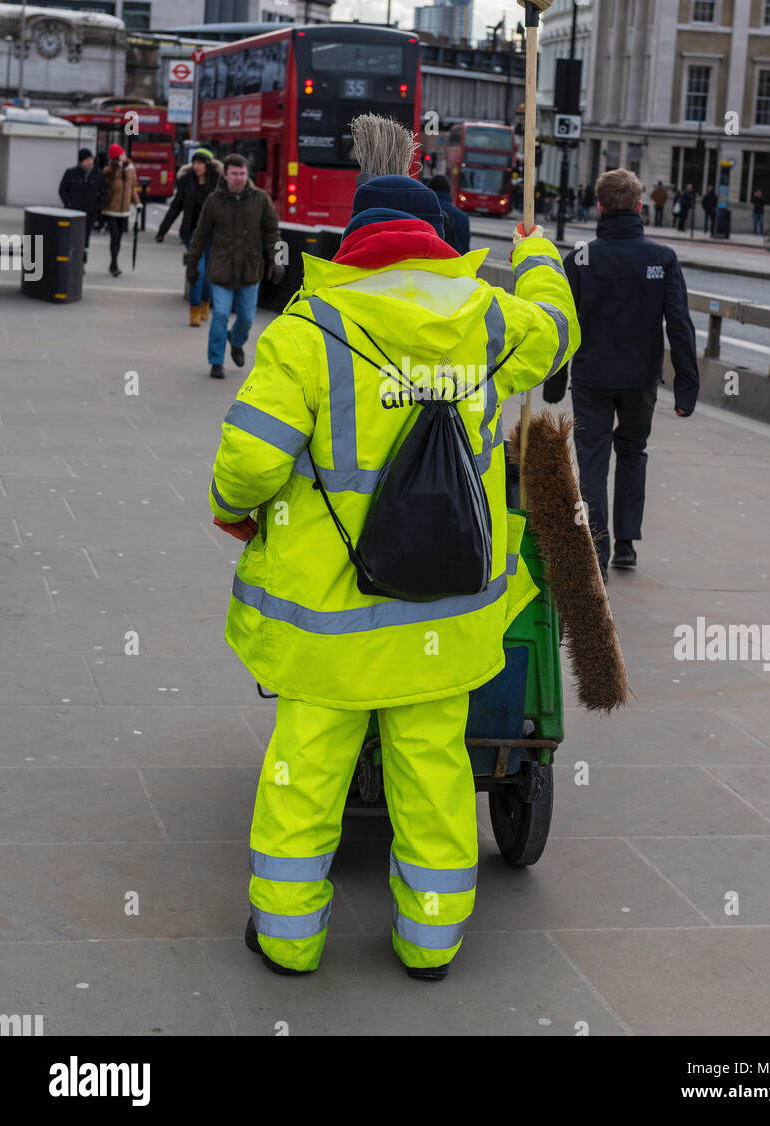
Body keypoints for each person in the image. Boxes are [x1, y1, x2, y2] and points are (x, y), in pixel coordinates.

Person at [206, 172, 578, 978]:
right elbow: (555, 327)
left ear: (354, 241)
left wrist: (231, 509)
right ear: (434, 240)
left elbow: (246, 465)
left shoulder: (308, 329)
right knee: (433, 772)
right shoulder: (486, 320)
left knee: (302, 773)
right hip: (442, 617)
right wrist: (538, 253)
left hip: (326, 619)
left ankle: (288, 940)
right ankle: (428, 942)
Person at [543, 167, 698, 580]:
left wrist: (555, 384)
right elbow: (679, 324)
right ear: (639, 206)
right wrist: (686, 388)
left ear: (599, 206)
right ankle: (627, 545)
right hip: (640, 379)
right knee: (632, 451)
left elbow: (564, 324)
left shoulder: (579, 259)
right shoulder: (662, 259)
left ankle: (598, 547)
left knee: (592, 462)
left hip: (592, 378)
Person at [185, 154, 282, 379]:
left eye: (243, 174)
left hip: (250, 270)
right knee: (219, 314)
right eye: (235, 174)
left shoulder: (260, 199)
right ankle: (216, 361)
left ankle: (236, 341)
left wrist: (279, 260)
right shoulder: (214, 201)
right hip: (221, 270)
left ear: (247, 175)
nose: (239, 178)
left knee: (247, 317)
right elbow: (200, 234)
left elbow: (274, 232)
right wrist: (192, 264)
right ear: (226, 174)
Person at [156, 148, 223, 325]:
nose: (196, 166)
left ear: (207, 165)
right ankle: (194, 311)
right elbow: (176, 206)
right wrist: (163, 230)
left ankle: (204, 305)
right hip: (192, 234)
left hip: (214, 235)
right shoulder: (186, 181)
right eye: (194, 163)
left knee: (208, 273)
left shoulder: (219, 182)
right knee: (197, 270)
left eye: (200, 163)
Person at [58, 148, 106, 263]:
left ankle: (81, 261)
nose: (90, 161)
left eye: (91, 159)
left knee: (85, 238)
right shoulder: (71, 173)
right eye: (87, 159)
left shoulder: (98, 174)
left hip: (89, 213)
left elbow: (104, 193)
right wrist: (68, 203)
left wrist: (98, 208)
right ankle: (73, 259)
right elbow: (62, 190)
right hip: (73, 212)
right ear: (81, 161)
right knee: (73, 237)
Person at [101, 143, 139, 277]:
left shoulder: (130, 169)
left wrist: (137, 203)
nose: (124, 156)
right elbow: (105, 189)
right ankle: (114, 264)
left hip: (124, 210)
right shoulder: (110, 170)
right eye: (121, 154)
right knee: (115, 236)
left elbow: (132, 189)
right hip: (111, 209)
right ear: (116, 157)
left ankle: (114, 262)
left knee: (119, 238)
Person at [425, 174, 471, 254]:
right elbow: (465, 248)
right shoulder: (463, 217)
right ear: (449, 191)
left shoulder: (425, 211)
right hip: (453, 263)